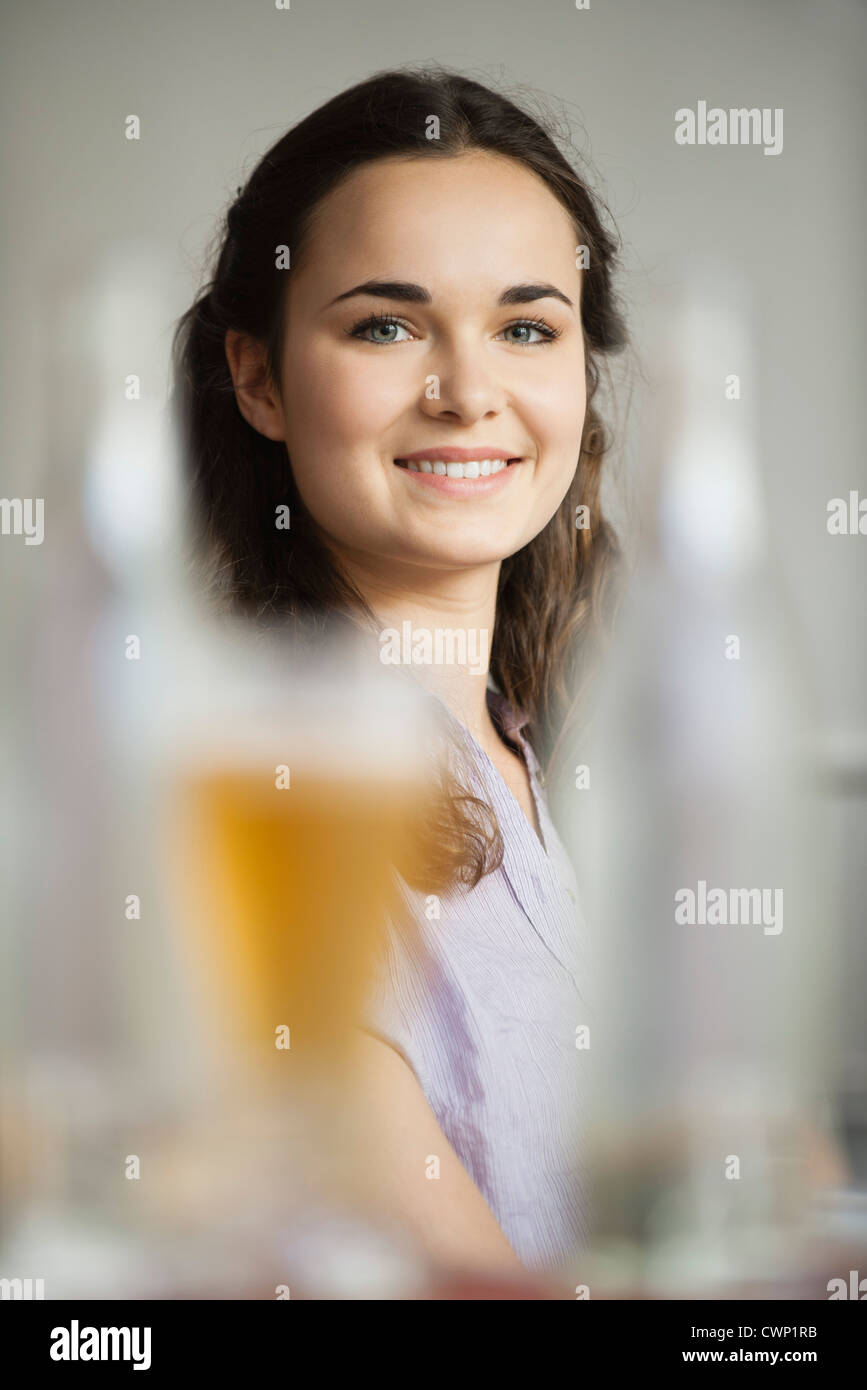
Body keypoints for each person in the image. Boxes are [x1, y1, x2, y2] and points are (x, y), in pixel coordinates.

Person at [172, 64, 628, 1279]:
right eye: (386, 324)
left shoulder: (547, 746)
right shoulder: (264, 801)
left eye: (527, 327)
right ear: (259, 377)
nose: (469, 391)